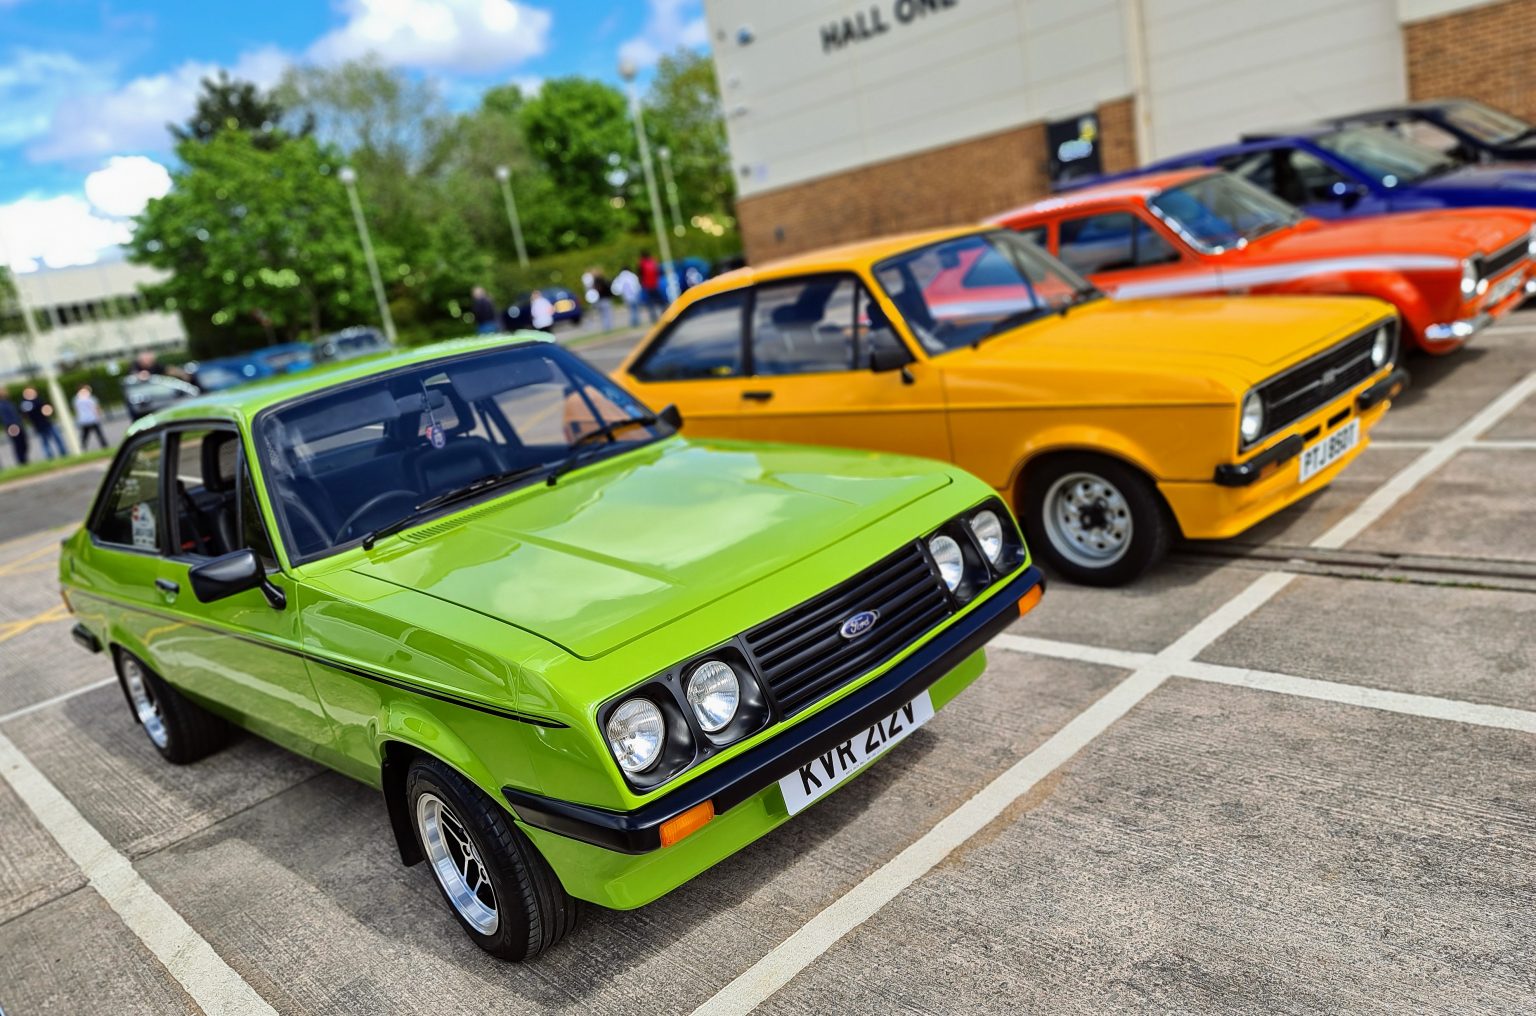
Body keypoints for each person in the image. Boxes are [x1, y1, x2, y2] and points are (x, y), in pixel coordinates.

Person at [19, 387, 66, 460]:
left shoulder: (38, 400)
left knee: (57, 438)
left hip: (47, 423)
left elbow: (46, 409)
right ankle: (49, 456)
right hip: (39, 425)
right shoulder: (26, 403)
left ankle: (63, 453)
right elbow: (28, 411)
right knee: (45, 442)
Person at [0, 387, 28, 467]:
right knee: (18, 443)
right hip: (12, 426)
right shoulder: (2, 404)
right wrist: (13, 426)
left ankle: (23, 460)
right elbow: (6, 418)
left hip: (17, 425)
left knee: (22, 443)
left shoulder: (8, 402)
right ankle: (22, 461)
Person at [74, 385, 108, 449]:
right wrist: (98, 414)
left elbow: (77, 410)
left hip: (83, 420)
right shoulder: (91, 398)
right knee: (99, 434)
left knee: (85, 436)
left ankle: (82, 448)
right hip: (93, 419)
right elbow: (96, 408)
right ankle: (104, 446)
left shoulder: (76, 399)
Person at [637, 251, 663, 323]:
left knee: (650, 303)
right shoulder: (653, 261)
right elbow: (658, 272)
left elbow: (640, 274)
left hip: (647, 285)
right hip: (656, 284)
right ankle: (665, 313)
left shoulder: (641, 263)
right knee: (660, 301)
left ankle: (653, 318)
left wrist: (641, 283)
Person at [587, 268, 614, 333]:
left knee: (603, 315)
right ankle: (608, 328)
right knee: (607, 314)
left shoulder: (594, 283)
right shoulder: (602, 281)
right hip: (604, 299)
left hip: (599, 301)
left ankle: (606, 328)